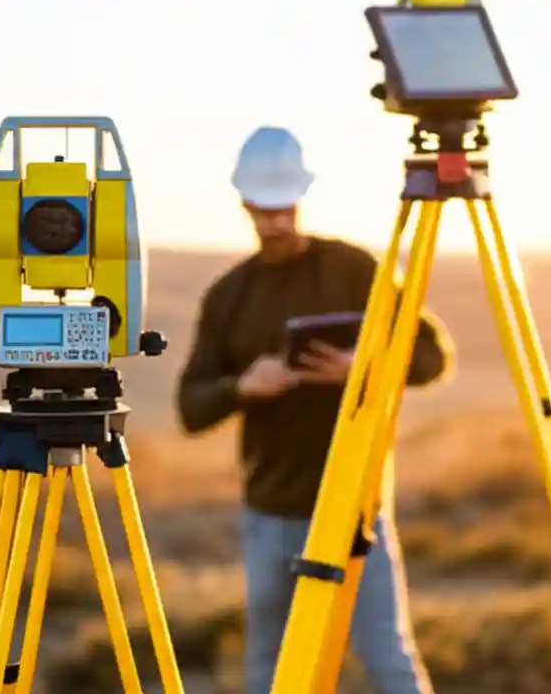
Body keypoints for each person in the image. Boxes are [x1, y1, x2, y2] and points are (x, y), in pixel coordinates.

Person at [175, 125, 454, 693]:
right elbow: (190, 407)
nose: (275, 221)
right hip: (269, 517)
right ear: (245, 205)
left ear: (299, 199)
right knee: (271, 670)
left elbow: (431, 356)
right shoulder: (229, 295)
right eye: (263, 209)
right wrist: (243, 388)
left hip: (357, 512)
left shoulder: (352, 270)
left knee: (389, 661)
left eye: (284, 207)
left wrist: (365, 367)